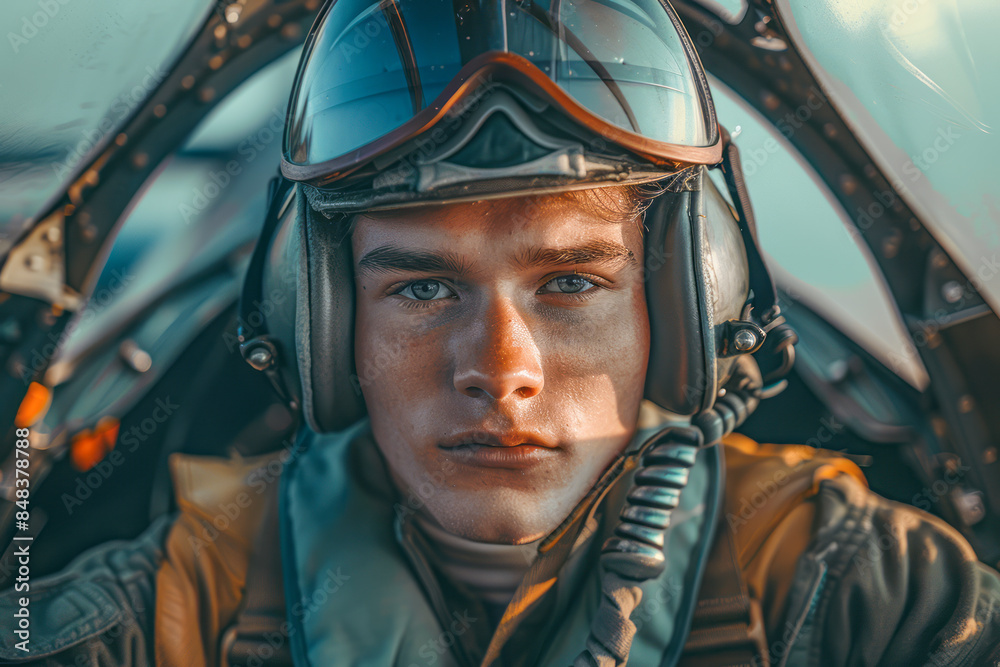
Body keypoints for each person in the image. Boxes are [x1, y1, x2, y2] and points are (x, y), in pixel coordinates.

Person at [3, 1, 1000, 666]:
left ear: (686, 305)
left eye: (570, 281)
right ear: (322, 322)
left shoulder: (857, 582)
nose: (499, 370)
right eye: (424, 289)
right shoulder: (181, 599)